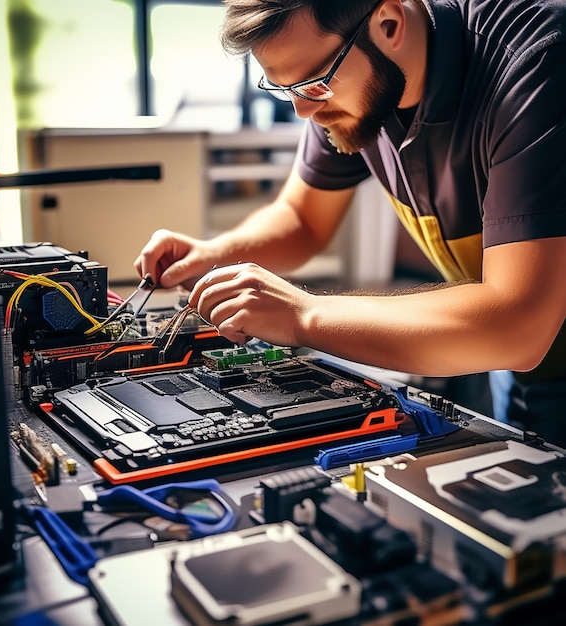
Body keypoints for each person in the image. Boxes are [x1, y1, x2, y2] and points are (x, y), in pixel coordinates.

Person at [135, 0, 566, 446]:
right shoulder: (348, 84)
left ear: (389, 23)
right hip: (519, 362)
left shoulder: (536, 59)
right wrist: (209, 255)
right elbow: (301, 220)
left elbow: (519, 323)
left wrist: (304, 314)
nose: (302, 111)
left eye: (313, 84)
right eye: (286, 90)